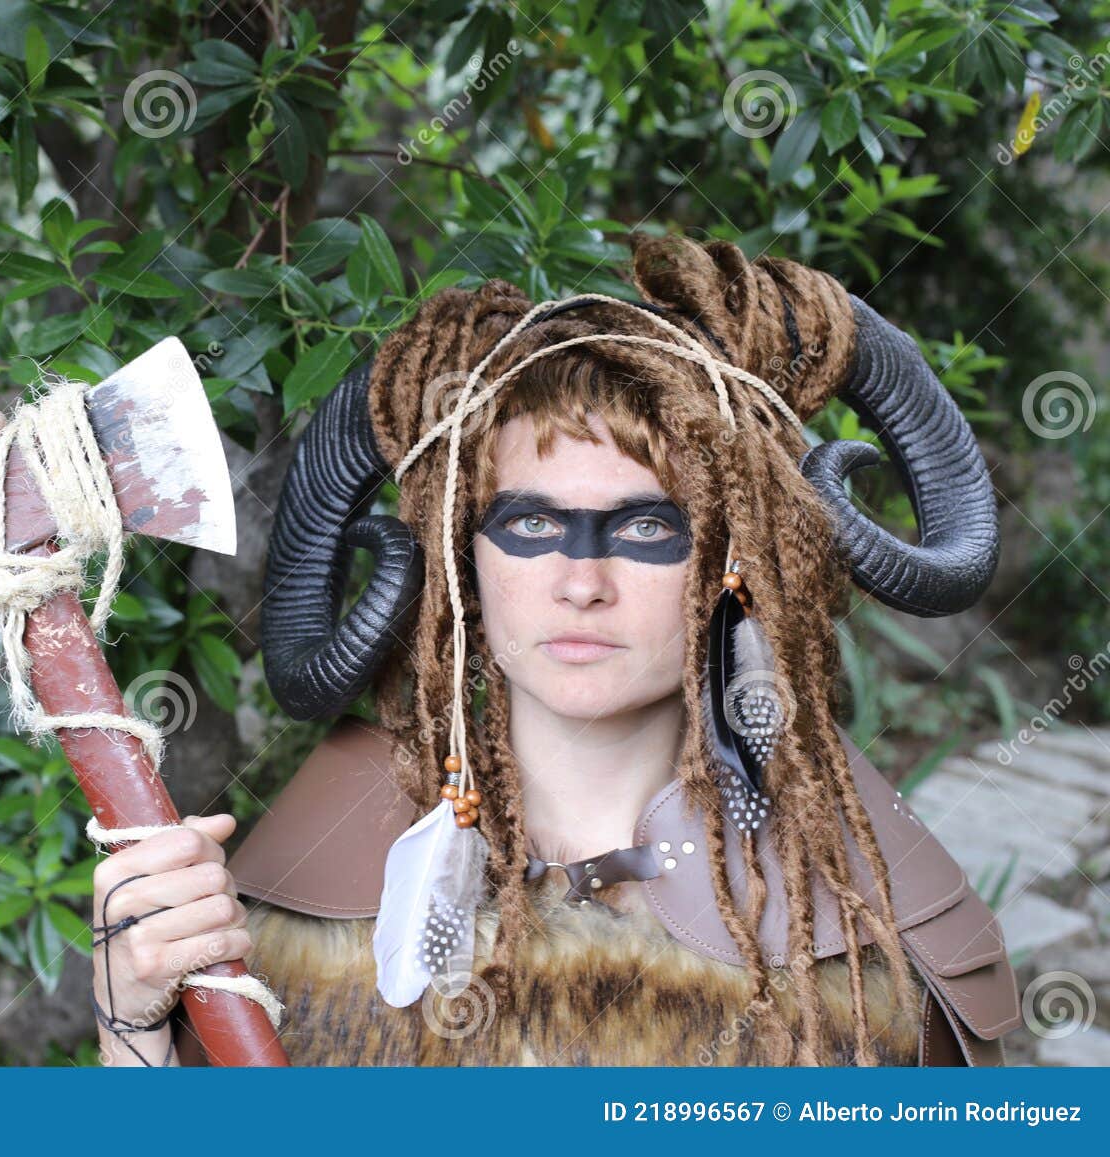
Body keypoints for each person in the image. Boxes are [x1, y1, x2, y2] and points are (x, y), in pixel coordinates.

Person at [89, 232, 1021, 1066]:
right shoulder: (299, 897)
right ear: (464, 557)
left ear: (740, 560)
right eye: (531, 523)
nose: (582, 580)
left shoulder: (861, 956)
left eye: (650, 530)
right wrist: (131, 1027)